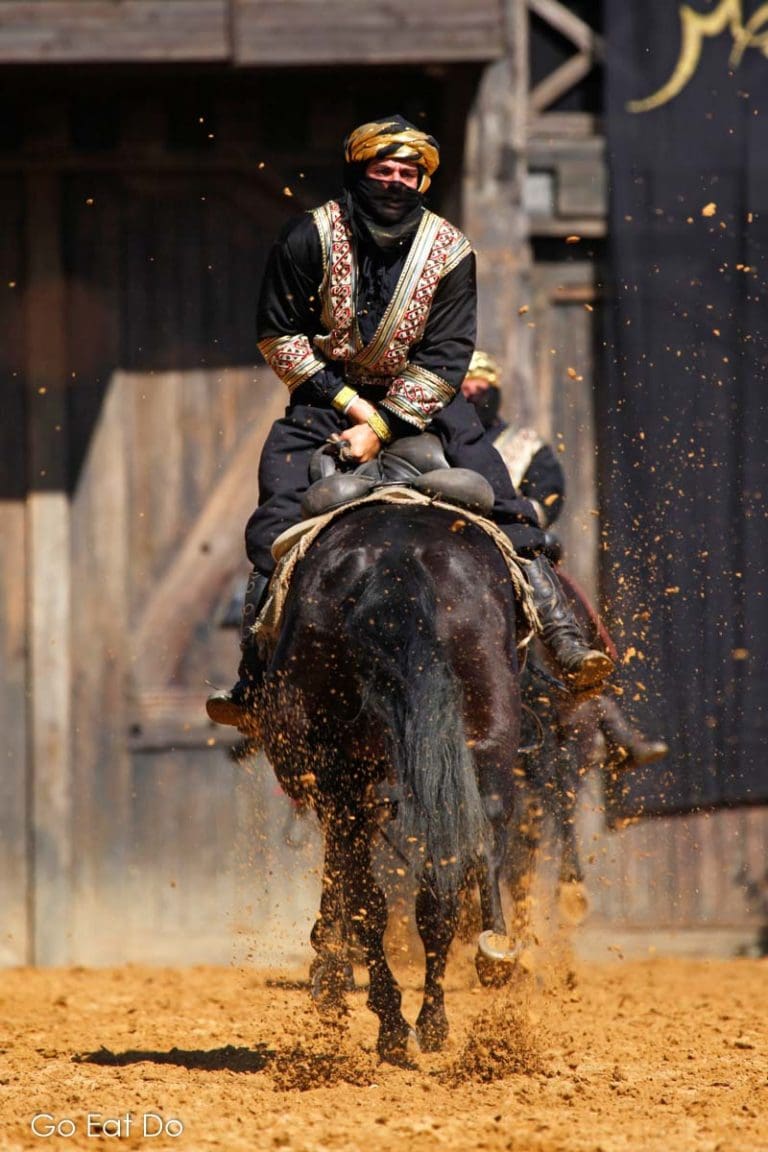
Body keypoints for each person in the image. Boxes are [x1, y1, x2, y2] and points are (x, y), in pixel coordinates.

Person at [206, 116, 613, 730]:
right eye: (383, 170)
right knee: (274, 520)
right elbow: (279, 334)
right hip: (325, 401)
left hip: (427, 401)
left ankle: (561, 638)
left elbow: (447, 354)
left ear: (424, 180)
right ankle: (254, 679)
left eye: (409, 173)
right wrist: (353, 408)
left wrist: (383, 426)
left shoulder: (451, 252)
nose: (396, 182)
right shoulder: (307, 238)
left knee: (506, 505)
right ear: (358, 171)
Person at [461, 349, 668, 768]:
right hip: (458, 543)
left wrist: (518, 514)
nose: (471, 394)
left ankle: (600, 702)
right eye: (463, 388)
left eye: (479, 387)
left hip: (512, 538)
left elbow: (549, 494)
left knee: (570, 601)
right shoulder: (439, 438)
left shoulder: (525, 446)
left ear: (494, 391)